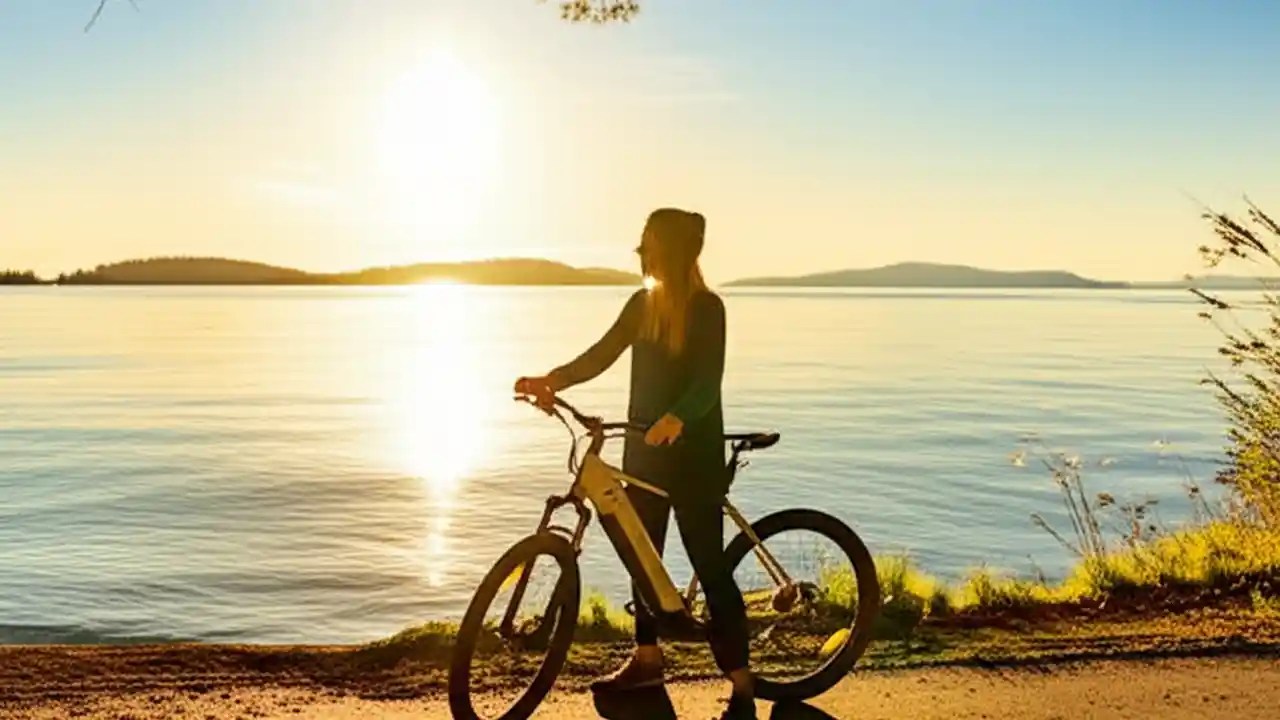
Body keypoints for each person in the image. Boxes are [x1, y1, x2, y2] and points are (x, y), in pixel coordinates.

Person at [515, 208, 755, 719]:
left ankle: (742, 688)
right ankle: (647, 661)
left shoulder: (708, 308)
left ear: (670, 251)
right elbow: (601, 353)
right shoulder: (641, 305)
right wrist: (552, 381)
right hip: (643, 451)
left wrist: (677, 417)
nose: (640, 251)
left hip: (692, 456)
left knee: (708, 564)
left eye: (648, 243)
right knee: (639, 554)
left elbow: (706, 383)